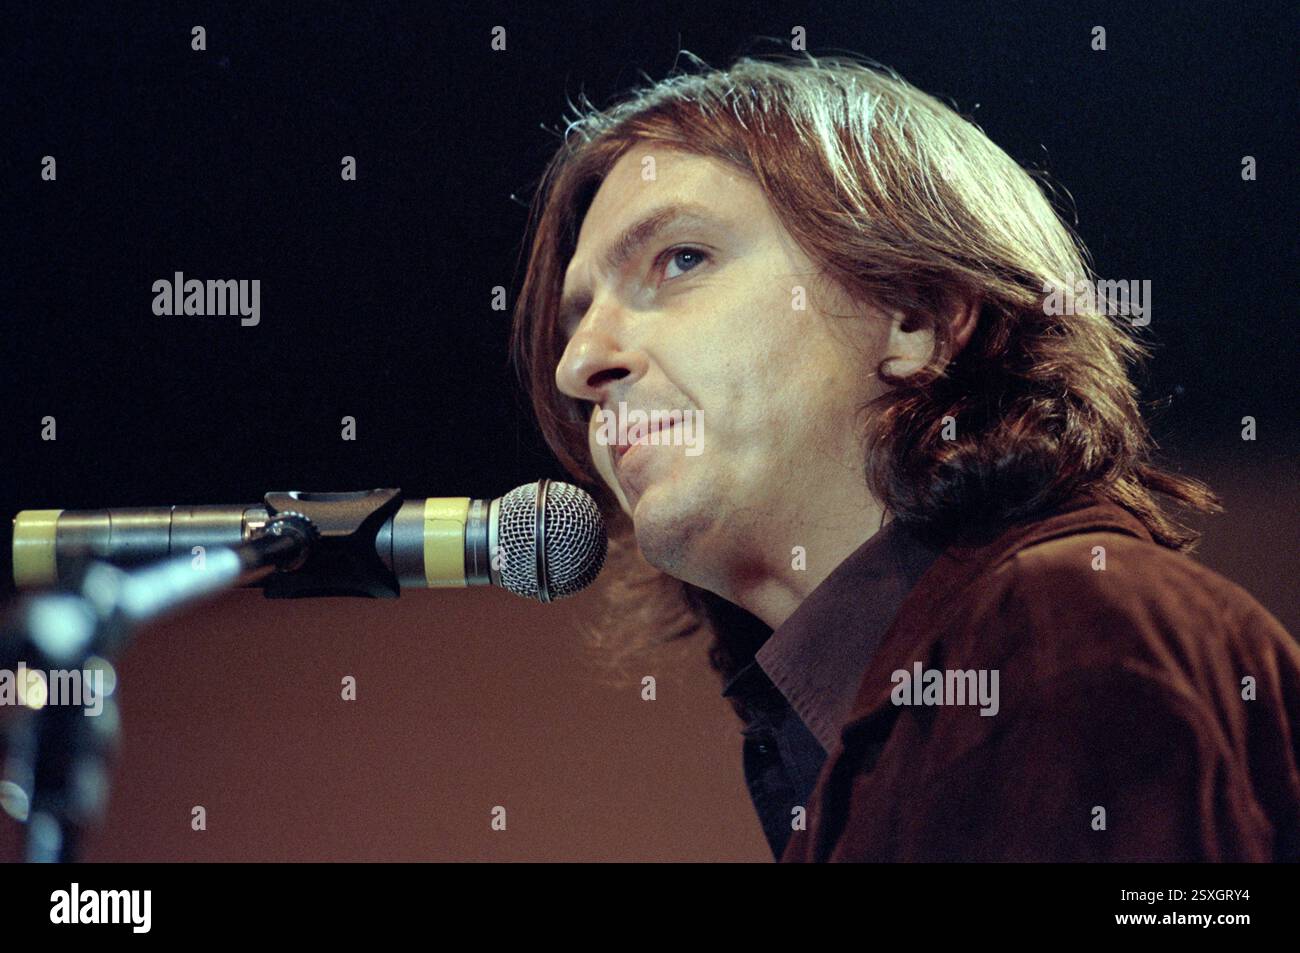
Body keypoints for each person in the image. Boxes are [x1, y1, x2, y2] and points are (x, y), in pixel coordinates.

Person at [508, 53, 1300, 861]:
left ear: (916, 316)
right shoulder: (886, 725)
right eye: (578, 320)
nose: (581, 364)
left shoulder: (1064, 630)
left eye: (681, 259)